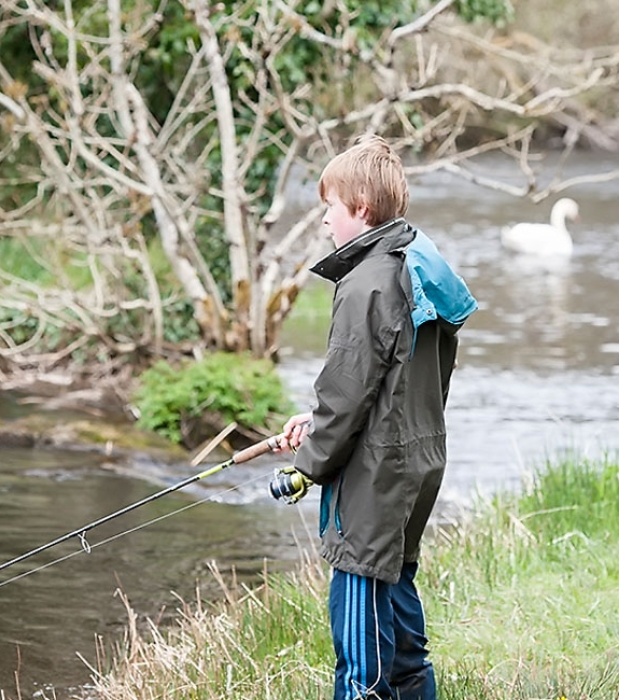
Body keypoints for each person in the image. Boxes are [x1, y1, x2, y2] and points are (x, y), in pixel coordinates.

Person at [269, 134, 477, 700]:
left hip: (374, 477)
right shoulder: (416, 267)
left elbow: (345, 391)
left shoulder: (365, 281)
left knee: (359, 640)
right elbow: (394, 386)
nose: (324, 222)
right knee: (401, 612)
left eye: (329, 208)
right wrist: (317, 423)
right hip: (416, 462)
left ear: (360, 208)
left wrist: (306, 467)